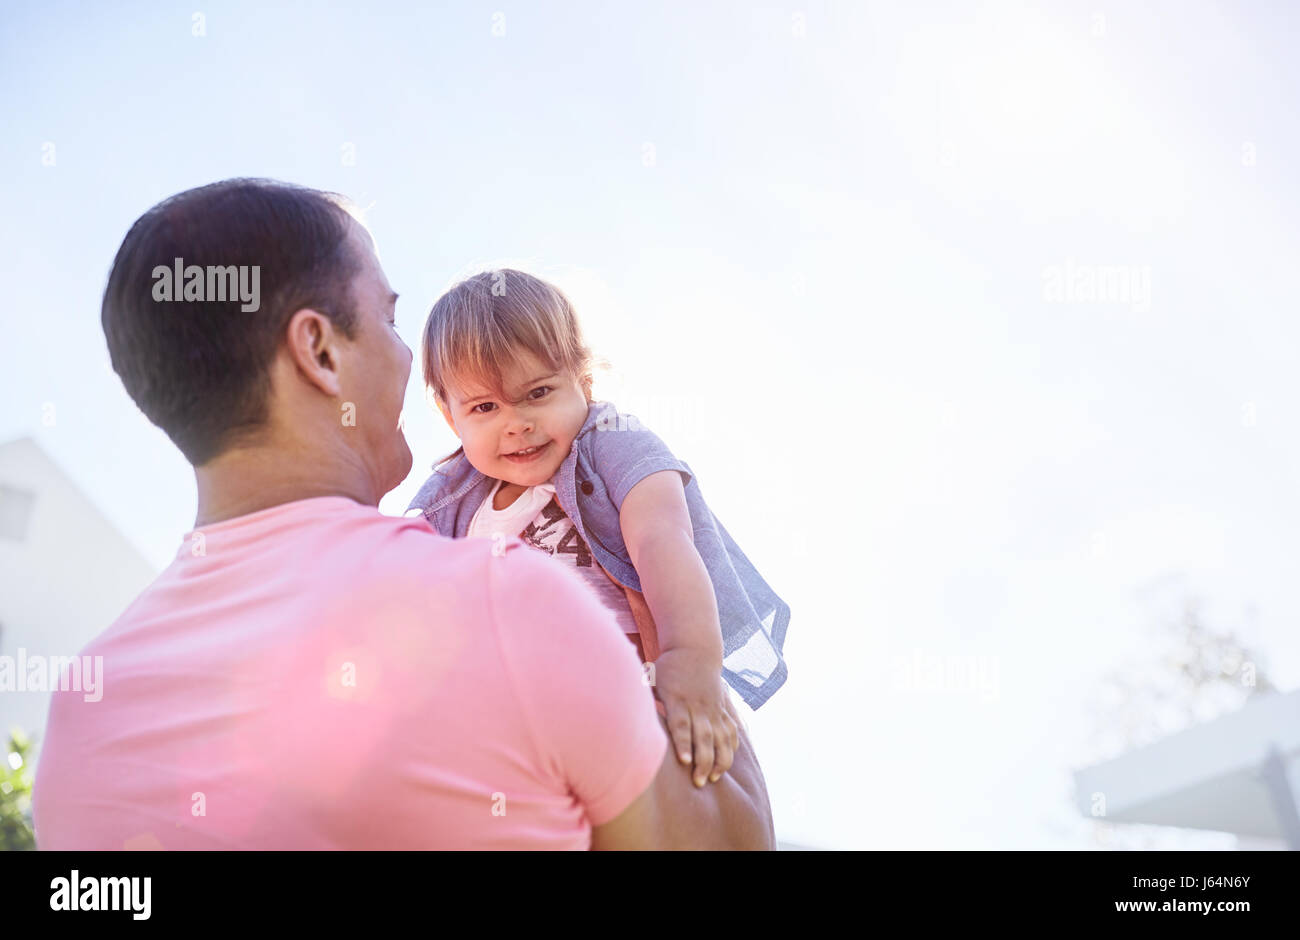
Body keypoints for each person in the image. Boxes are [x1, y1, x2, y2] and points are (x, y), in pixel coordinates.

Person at [31, 178, 774, 849]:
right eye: (388, 320)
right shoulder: (511, 605)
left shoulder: (81, 719)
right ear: (320, 352)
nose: (407, 360)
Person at [406, 269, 791, 788]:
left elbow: (662, 538)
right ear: (451, 418)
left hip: (623, 689)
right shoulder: (447, 503)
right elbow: (404, 597)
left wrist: (689, 660)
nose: (516, 423)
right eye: (484, 407)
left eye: (538, 392)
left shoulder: (611, 442)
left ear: (583, 383)